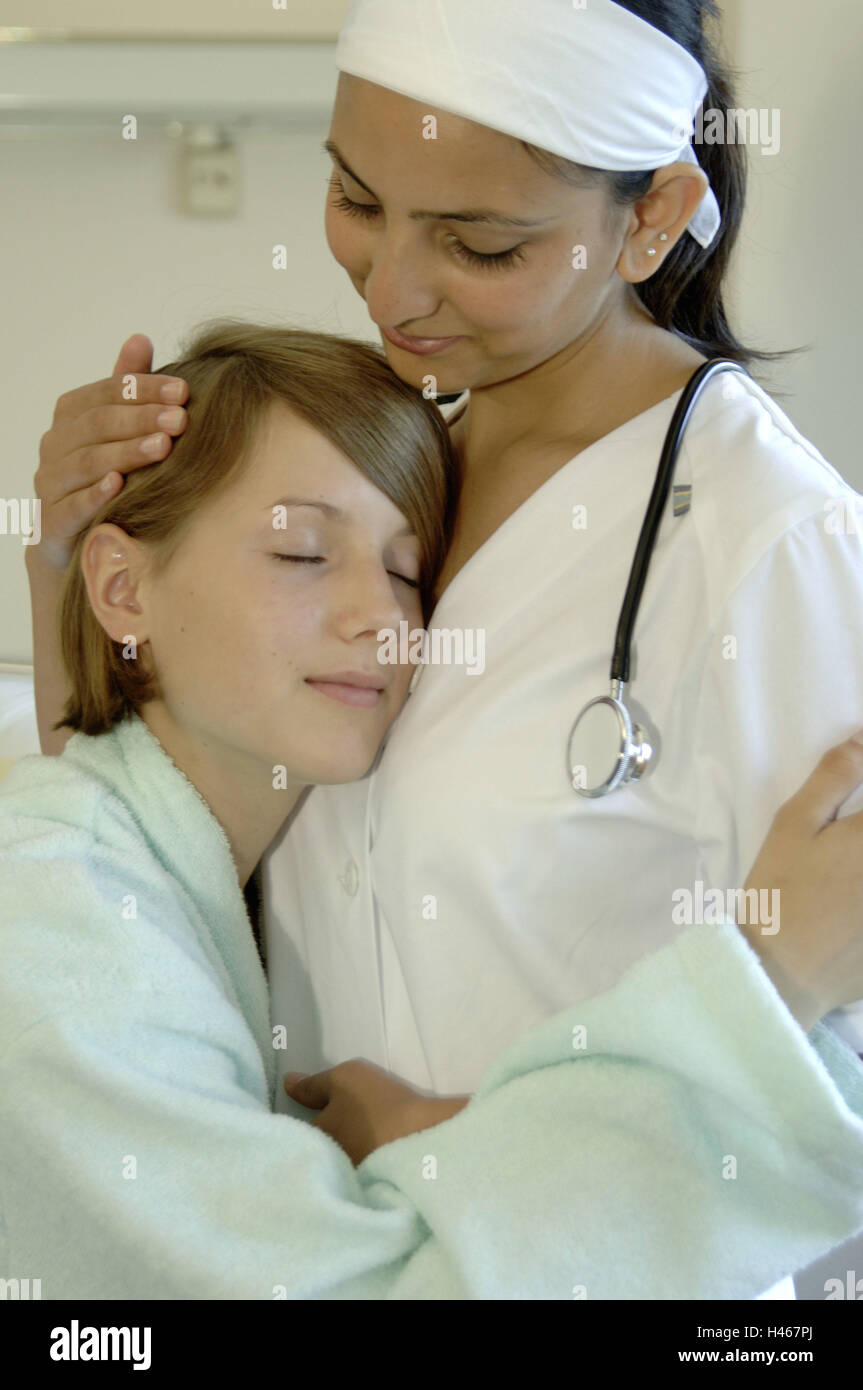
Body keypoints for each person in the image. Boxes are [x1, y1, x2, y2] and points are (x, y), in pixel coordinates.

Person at [20, 0, 863, 1297]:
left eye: (477, 243)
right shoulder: (382, 474)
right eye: (357, 198)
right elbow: (168, 881)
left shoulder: (772, 550)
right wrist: (78, 578)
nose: (392, 292)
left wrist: (460, 1152)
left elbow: (830, 1071)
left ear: (649, 219)